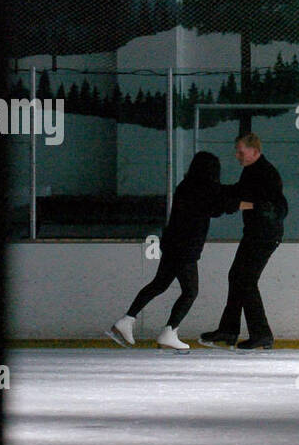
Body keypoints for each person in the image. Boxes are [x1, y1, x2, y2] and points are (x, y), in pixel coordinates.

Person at [107, 151, 237, 351]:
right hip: (186, 245)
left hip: (173, 243)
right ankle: (169, 331)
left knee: (159, 284)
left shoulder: (186, 186)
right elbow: (218, 207)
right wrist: (241, 202)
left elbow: (217, 200)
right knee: (190, 291)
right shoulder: (202, 189)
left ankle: (127, 320)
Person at [201, 132, 286, 350]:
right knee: (238, 277)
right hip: (258, 234)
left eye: (241, 151)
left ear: (255, 151)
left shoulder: (265, 173)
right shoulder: (252, 171)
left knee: (245, 280)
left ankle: (260, 334)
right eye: (237, 150)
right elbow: (240, 193)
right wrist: (216, 191)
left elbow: (273, 205)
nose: (237, 154)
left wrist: (231, 201)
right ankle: (229, 331)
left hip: (264, 235)